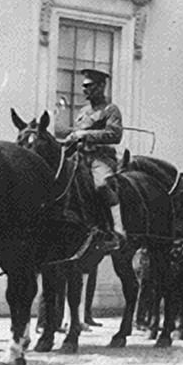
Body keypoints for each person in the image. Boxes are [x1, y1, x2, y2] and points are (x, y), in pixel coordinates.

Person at [64, 69, 125, 249]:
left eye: (89, 86)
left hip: (101, 159)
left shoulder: (111, 110)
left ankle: (117, 230)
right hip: (80, 158)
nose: (84, 90)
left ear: (101, 86)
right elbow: (77, 136)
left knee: (102, 186)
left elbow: (115, 134)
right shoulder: (83, 111)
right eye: (84, 86)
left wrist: (85, 134)